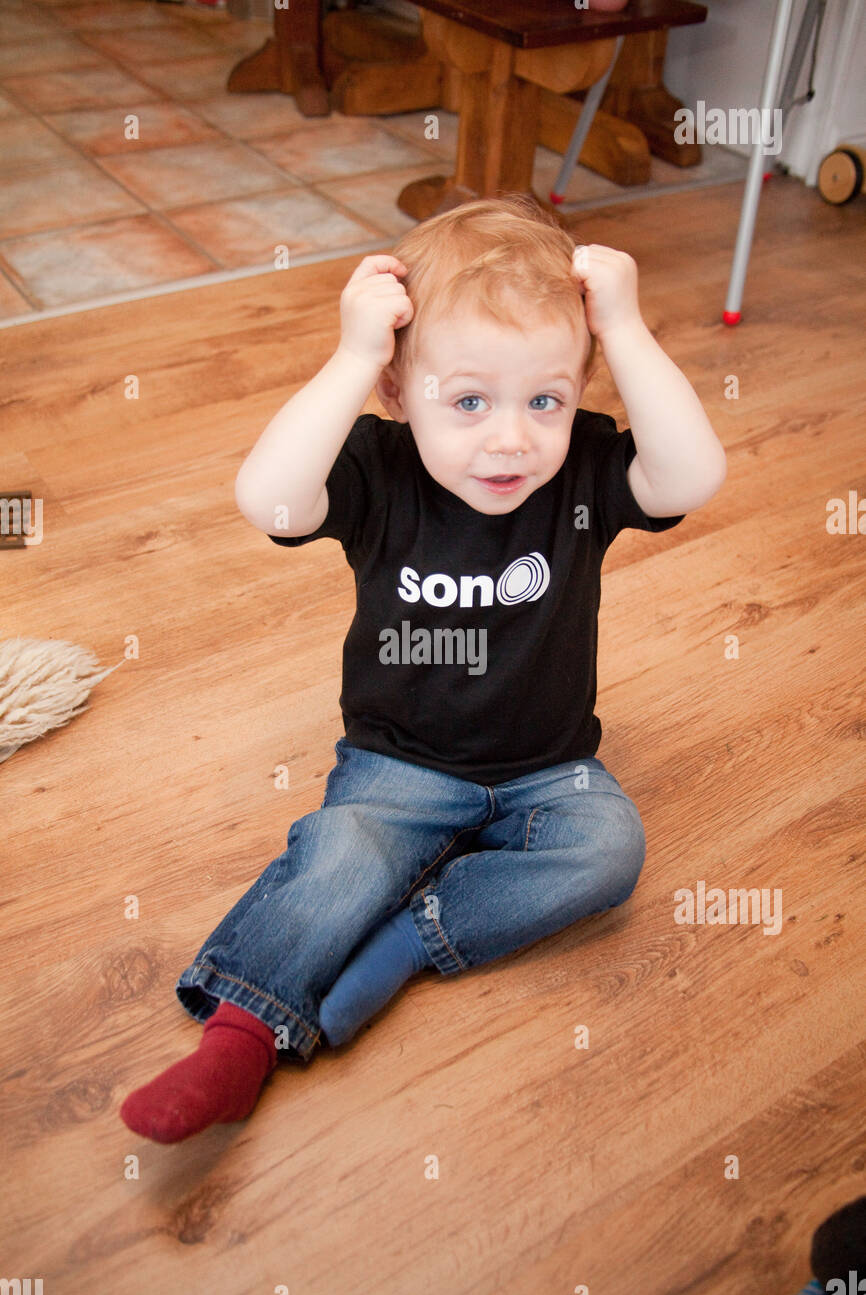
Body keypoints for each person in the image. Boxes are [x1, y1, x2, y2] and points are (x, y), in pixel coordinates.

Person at [121, 193, 726, 1143]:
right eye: (470, 400)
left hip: (550, 767)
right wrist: (356, 355)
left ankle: (409, 941)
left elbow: (690, 477)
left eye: (546, 400)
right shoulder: (380, 469)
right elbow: (270, 501)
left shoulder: (582, 476)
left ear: (579, 395)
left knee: (611, 851)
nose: (511, 437)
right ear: (402, 397)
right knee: (341, 856)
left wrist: (628, 330)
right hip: (400, 764)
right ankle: (239, 1034)